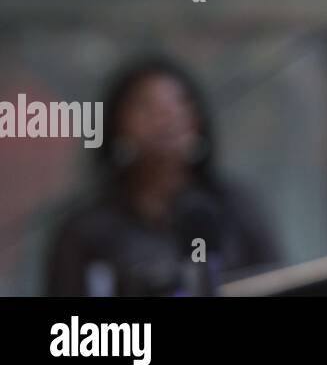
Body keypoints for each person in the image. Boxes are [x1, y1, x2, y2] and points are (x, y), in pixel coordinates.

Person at [43, 52, 280, 296]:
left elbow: (277, 283)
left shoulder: (234, 208)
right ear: (117, 124)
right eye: (146, 106)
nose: (166, 117)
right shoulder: (86, 230)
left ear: (196, 120)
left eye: (179, 102)